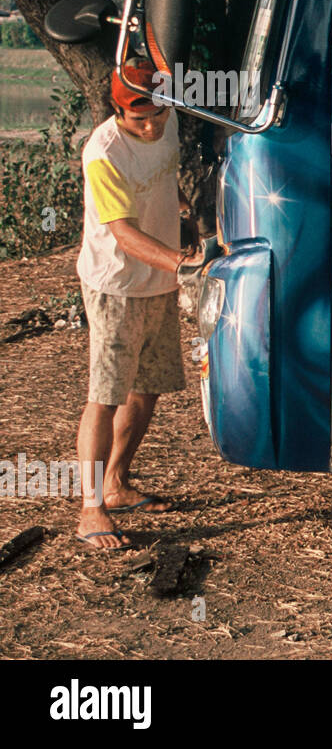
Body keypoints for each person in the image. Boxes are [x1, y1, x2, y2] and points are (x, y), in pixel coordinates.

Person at [74, 60, 199, 550]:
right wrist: (181, 262)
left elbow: (166, 180)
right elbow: (122, 234)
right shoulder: (104, 154)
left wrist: (189, 213)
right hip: (116, 286)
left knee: (148, 389)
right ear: (116, 109)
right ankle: (90, 510)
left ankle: (117, 484)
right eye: (137, 118)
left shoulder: (168, 123)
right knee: (104, 397)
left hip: (159, 282)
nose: (150, 126)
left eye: (157, 115)